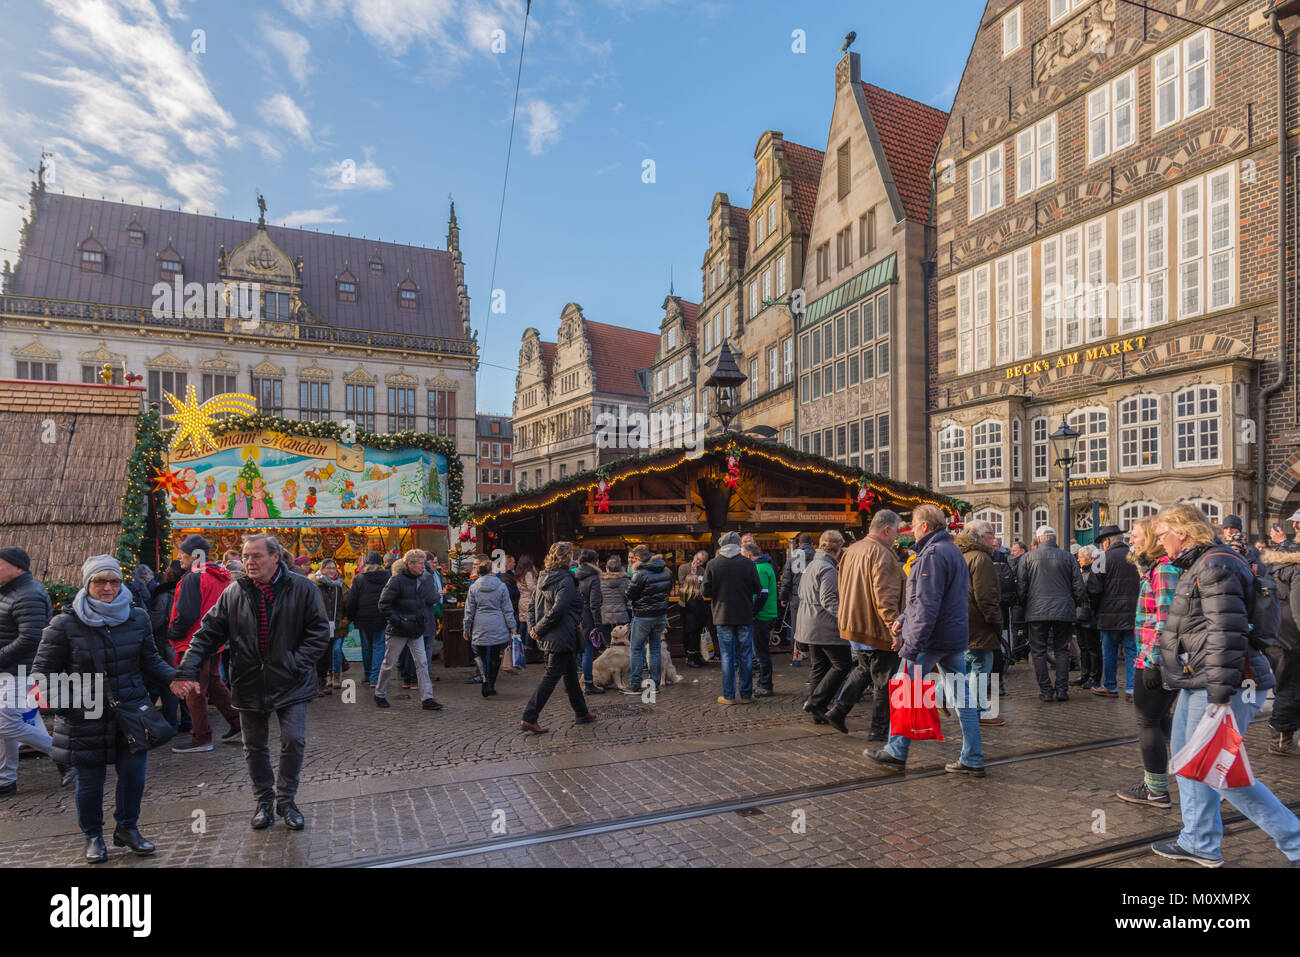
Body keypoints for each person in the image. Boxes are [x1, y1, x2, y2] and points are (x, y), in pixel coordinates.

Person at [1150, 504, 1300, 868]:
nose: (1159, 541)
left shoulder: (1215, 564)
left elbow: (1226, 632)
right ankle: (1199, 841)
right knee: (1189, 762)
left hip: (1223, 683)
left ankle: (1295, 841)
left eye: (1161, 534)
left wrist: (1219, 694)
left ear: (1182, 532)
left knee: (1220, 770)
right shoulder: (1204, 563)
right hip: (1203, 679)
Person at [172, 534, 332, 831]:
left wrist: (296, 663)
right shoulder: (234, 591)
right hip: (249, 680)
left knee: (293, 740)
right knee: (254, 746)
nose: (249, 561)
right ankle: (263, 801)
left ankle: (286, 800)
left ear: (275, 558)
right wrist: (186, 670)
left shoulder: (303, 588)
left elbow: (319, 631)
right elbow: (207, 633)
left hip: (291, 680)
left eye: (256, 555)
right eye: (246, 556)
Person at [34, 555, 175, 861]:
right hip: (85, 716)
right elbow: (42, 676)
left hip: (130, 713)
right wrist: (70, 708)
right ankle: (93, 837)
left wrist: (175, 679)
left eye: (114, 581)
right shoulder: (65, 624)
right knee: (89, 782)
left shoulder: (136, 617)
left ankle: (128, 828)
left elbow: (150, 659)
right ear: (87, 583)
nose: (108, 587)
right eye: (100, 581)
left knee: (134, 775)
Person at [866, 504, 985, 777]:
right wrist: (906, 616)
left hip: (931, 640)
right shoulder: (953, 551)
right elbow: (933, 600)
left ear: (926, 527)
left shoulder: (931, 555)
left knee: (904, 690)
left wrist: (911, 645)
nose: (911, 531)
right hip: (953, 637)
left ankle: (896, 751)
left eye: (915, 525)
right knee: (963, 697)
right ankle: (973, 756)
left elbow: (927, 604)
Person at [1116, 517, 1182, 808]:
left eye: (1135, 536)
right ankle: (1198, 776)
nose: (1131, 541)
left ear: (1152, 540)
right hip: (1153, 656)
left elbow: (1165, 620)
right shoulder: (1154, 569)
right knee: (1162, 719)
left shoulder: (1164, 569)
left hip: (1156, 658)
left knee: (1148, 720)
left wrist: (1153, 661)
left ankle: (1156, 790)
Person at [0, 546, 73, 796]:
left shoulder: (27, 594)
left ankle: (66, 755)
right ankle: (5, 780)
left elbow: (30, 638)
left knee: (5, 722)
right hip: (11, 671)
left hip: (21, 671)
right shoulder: (10, 592)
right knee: (16, 722)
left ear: (17, 567)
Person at [828, 510, 904, 739]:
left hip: (854, 622)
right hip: (875, 625)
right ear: (886, 529)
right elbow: (885, 594)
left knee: (864, 669)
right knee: (883, 677)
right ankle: (878, 730)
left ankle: (839, 710)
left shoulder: (851, 550)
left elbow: (841, 586)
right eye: (896, 532)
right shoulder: (882, 553)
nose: (896, 538)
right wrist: (894, 626)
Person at [166, 535, 242, 752]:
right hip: (214, 640)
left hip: (193, 642)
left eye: (183, 552)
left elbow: (187, 613)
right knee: (215, 683)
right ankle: (239, 724)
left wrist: (173, 631)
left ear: (194, 555)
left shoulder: (194, 577)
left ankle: (201, 737)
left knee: (193, 688)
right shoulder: (220, 575)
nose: (179, 557)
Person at [520, 542, 595, 733]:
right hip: (561, 634)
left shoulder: (543, 577)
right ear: (568, 558)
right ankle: (530, 716)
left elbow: (531, 607)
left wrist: (534, 627)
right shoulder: (566, 580)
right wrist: (538, 628)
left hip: (555, 633)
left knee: (570, 675)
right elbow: (558, 609)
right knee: (551, 676)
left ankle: (581, 711)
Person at [1016, 525, 1084, 702]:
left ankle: (1046, 690)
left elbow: (1021, 588)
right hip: (1063, 610)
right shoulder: (1068, 557)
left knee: (1038, 650)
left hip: (1036, 611)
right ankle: (1062, 690)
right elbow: (1079, 587)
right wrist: (1072, 603)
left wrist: (1027, 605)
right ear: (1054, 539)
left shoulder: (1027, 558)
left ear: (1038, 540)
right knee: (1062, 649)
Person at [374, 550, 442, 711]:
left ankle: (427, 698)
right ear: (410, 564)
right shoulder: (396, 580)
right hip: (398, 629)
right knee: (389, 663)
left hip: (416, 628)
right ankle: (379, 693)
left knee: (422, 663)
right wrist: (399, 621)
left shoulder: (423, 579)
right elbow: (384, 604)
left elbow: (426, 600)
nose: (422, 566)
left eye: (423, 562)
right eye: (419, 563)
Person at [954, 520, 1005, 726]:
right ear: (980, 536)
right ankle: (978, 711)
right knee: (981, 664)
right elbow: (986, 596)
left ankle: (942, 694)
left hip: (962, 619)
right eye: (991, 534)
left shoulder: (961, 556)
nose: (994, 539)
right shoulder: (981, 559)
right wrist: (996, 621)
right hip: (978, 621)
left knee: (966, 663)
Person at [702, 531, 762, 705]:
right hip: (744, 614)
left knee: (728, 656)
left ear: (722, 545)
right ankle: (746, 694)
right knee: (745, 655)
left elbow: (705, 592)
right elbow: (757, 588)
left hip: (722, 615)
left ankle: (728, 696)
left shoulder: (713, 564)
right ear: (738, 545)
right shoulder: (747, 563)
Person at [795, 530, 847, 722]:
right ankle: (815, 702)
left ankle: (818, 711)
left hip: (807, 625)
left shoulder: (812, 565)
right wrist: (846, 618)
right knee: (843, 664)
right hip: (823, 626)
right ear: (838, 547)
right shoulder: (827, 568)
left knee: (819, 667)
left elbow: (802, 592)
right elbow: (829, 600)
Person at [1088, 524, 1140, 701]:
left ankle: (1110, 686)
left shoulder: (1101, 559)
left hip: (1108, 615)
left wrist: (1095, 611)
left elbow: (1093, 590)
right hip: (1133, 612)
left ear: (1107, 541)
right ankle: (1132, 688)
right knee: (1132, 649)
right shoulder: (1136, 557)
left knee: (1109, 651)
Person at [1261, 533, 1300, 757]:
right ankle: (1281, 740)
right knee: (1291, 688)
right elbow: (1298, 609)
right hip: (1291, 636)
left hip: (1274, 631)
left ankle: (1282, 735)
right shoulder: (1297, 569)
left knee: (1285, 685)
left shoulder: (1275, 566)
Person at [463, 556, 516, 697]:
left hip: (479, 624)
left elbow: (469, 610)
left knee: (479, 655)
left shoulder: (474, 587)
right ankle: (491, 684)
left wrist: (466, 628)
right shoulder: (501, 586)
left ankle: (484, 681)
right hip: (498, 623)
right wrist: (512, 627)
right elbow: (507, 608)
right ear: (492, 571)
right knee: (494, 656)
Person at [624, 545, 671, 696]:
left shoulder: (640, 573)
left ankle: (635, 684)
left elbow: (629, 594)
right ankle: (654, 683)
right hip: (660, 615)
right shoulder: (665, 570)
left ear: (637, 558)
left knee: (636, 648)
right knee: (655, 647)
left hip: (643, 616)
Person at [344, 552, 388, 687]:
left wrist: (350, 616)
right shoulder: (387, 576)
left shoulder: (359, 579)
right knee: (379, 646)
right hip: (381, 616)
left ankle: (368, 675)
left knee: (367, 647)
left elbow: (352, 600)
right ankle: (375, 678)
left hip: (363, 618)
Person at [743, 540, 778, 696]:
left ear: (749, 555)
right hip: (766, 614)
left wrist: (753, 612)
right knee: (761, 652)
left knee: (761, 653)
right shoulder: (765, 565)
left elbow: (762, 594)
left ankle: (765, 685)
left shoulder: (760, 568)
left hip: (763, 616)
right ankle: (764, 683)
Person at [311, 559, 347, 695]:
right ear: (322, 569)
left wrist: (340, 621)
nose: (332, 571)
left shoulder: (338, 585)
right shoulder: (315, 584)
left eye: (334, 568)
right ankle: (317, 685)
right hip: (318, 624)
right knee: (319, 655)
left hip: (333, 625)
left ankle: (323, 683)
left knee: (327, 655)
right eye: (329, 568)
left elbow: (341, 605)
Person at [779, 533, 815, 667]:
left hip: (796, 598)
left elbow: (787, 580)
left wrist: (783, 597)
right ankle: (814, 659)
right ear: (812, 543)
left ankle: (797, 658)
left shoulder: (794, 556)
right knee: (813, 627)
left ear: (799, 544)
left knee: (796, 626)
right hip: (812, 598)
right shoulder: (817, 555)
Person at [574, 549, 605, 695]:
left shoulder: (574, 575)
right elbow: (595, 604)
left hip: (575, 616)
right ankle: (588, 684)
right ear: (594, 562)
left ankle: (572, 684)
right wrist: (598, 625)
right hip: (587, 618)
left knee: (575, 652)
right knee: (587, 652)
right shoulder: (594, 578)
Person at [1072, 545, 1103, 690]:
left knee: (1092, 647)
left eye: (1081, 557)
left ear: (1091, 559)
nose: (1078, 559)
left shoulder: (1095, 572)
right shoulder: (1081, 572)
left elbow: (1094, 594)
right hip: (1079, 614)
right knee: (1083, 646)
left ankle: (1094, 676)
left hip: (1089, 614)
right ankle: (1084, 674)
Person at [598, 555, 632, 659]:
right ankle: (623, 662)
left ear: (607, 568)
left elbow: (598, 599)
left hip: (605, 615)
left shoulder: (600, 581)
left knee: (609, 645)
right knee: (624, 643)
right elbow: (629, 598)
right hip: (622, 614)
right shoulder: (625, 580)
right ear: (620, 568)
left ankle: (611, 665)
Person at [516, 555, 537, 650]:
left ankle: (518, 646)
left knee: (523, 624)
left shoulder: (519, 573)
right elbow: (531, 587)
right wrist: (540, 587)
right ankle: (528, 647)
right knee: (529, 624)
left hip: (522, 600)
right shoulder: (528, 573)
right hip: (529, 601)